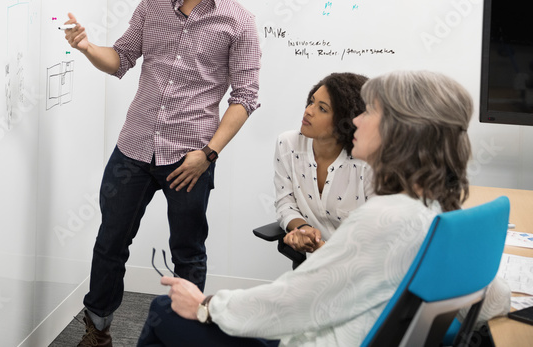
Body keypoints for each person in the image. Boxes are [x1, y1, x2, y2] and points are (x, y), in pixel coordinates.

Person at [136, 70, 512, 347]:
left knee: (164, 311)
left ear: (400, 131)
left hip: (315, 338)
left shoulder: (383, 218)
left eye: (370, 112)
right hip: (343, 327)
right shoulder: (436, 210)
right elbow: (495, 301)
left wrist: (206, 305)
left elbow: (292, 303)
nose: (357, 120)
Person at [63, 0, 261, 347]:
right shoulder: (152, 5)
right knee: (110, 242)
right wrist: (87, 47)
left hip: (190, 157)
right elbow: (121, 59)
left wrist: (208, 154)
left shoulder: (239, 22)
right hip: (133, 148)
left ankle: (182, 338)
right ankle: (97, 332)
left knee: (188, 252)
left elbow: (245, 97)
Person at [274, 73, 372, 260]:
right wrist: (303, 230)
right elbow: (285, 202)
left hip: (359, 263)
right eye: (311, 102)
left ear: (347, 120)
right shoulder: (288, 145)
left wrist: (324, 250)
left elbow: (377, 235)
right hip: (316, 264)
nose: (308, 111)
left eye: (322, 109)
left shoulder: (367, 163)